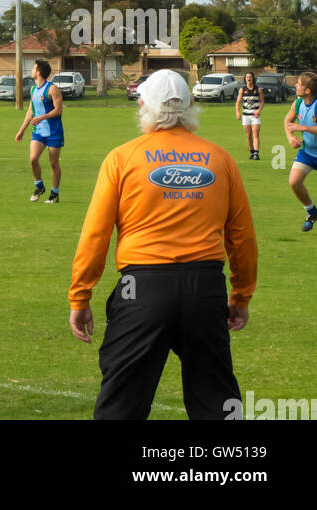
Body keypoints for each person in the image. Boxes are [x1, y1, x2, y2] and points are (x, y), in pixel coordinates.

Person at [68, 69, 257, 420]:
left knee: (121, 406)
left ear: (143, 105)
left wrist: (81, 296)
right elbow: (242, 237)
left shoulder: (122, 158)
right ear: (190, 105)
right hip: (205, 286)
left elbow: (96, 234)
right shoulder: (220, 159)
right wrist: (241, 296)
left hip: (141, 288)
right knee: (216, 402)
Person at [16, 59, 64, 203]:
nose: (31, 70)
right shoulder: (33, 89)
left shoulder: (52, 89)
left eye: (33, 68)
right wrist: (22, 130)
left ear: (39, 72)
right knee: (33, 159)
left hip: (54, 132)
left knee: (53, 164)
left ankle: (54, 194)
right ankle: (39, 186)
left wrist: (41, 117)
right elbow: (31, 111)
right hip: (39, 132)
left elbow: (58, 110)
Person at [285, 70, 317, 231]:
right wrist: (291, 137)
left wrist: (303, 127)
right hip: (308, 153)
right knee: (294, 182)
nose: (295, 85)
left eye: (298, 84)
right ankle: (312, 213)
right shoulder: (297, 103)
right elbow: (287, 120)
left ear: (307, 90)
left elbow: (301, 126)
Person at [235, 71, 262, 161]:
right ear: (245, 79)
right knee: (249, 136)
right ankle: (252, 152)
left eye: (250, 77)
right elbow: (238, 102)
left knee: (255, 134)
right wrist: (237, 112)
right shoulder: (242, 89)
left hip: (255, 116)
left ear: (253, 78)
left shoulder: (258, 89)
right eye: (247, 77)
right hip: (245, 116)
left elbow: (262, 102)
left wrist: (258, 110)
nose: (248, 78)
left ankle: (256, 153)